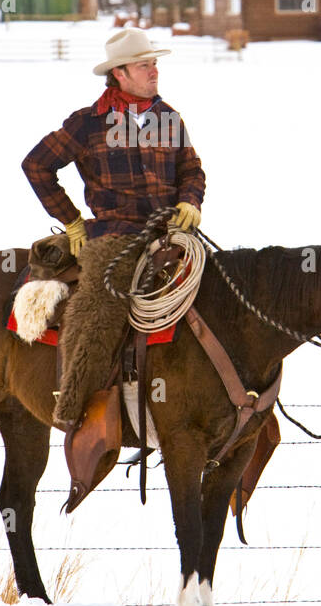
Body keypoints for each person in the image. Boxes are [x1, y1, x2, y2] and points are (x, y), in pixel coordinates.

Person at [22, 26, 205, 426]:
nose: (154, 71)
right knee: (99, 310)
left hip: (170, 232)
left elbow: (191, 169)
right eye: (145, 65)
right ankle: (74, 404)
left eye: (154, 63)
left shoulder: (168, 117)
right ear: (120, 73)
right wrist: (71, 220)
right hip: (115, 235)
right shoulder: (87, 124)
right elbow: (36, 165)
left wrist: (189, 202)